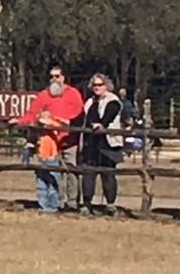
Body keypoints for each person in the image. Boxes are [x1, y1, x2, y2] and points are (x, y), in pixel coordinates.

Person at [10, 66, 85, 209]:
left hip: (70, 140)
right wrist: (19, 120)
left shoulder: (73, 93)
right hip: (51, 142)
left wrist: (65, 122)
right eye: (51, 76)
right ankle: (56, 203)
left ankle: (72, 203)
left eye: (57, 76)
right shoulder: (44, 95)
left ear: (63, 78)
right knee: (53, 173)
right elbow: (32, 113)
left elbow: (79, 115)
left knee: (72, 172)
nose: (54, 79)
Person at [79, 73, 122, 216]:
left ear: (106, 86)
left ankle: (110, 205)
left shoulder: (113, 101)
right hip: (91, 144)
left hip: (108, 143)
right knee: (88, 174)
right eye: (95, 85)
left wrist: (101, 124)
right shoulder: (89, 102)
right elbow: (82, 118)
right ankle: (86, 205)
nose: (97, 88)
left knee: (108, 175)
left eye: (100, 85)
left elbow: (110, 115)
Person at [33, 107, 63, 213]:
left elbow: (57, 126)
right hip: (41, 157)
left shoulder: (54, 126)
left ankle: (53, 206)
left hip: (52, 157)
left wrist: (47, 121)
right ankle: (43, 205)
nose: (44, 118)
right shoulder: (38, 130)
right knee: (41, 183)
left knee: (53, 183)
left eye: (47, 116)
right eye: (42, 116)